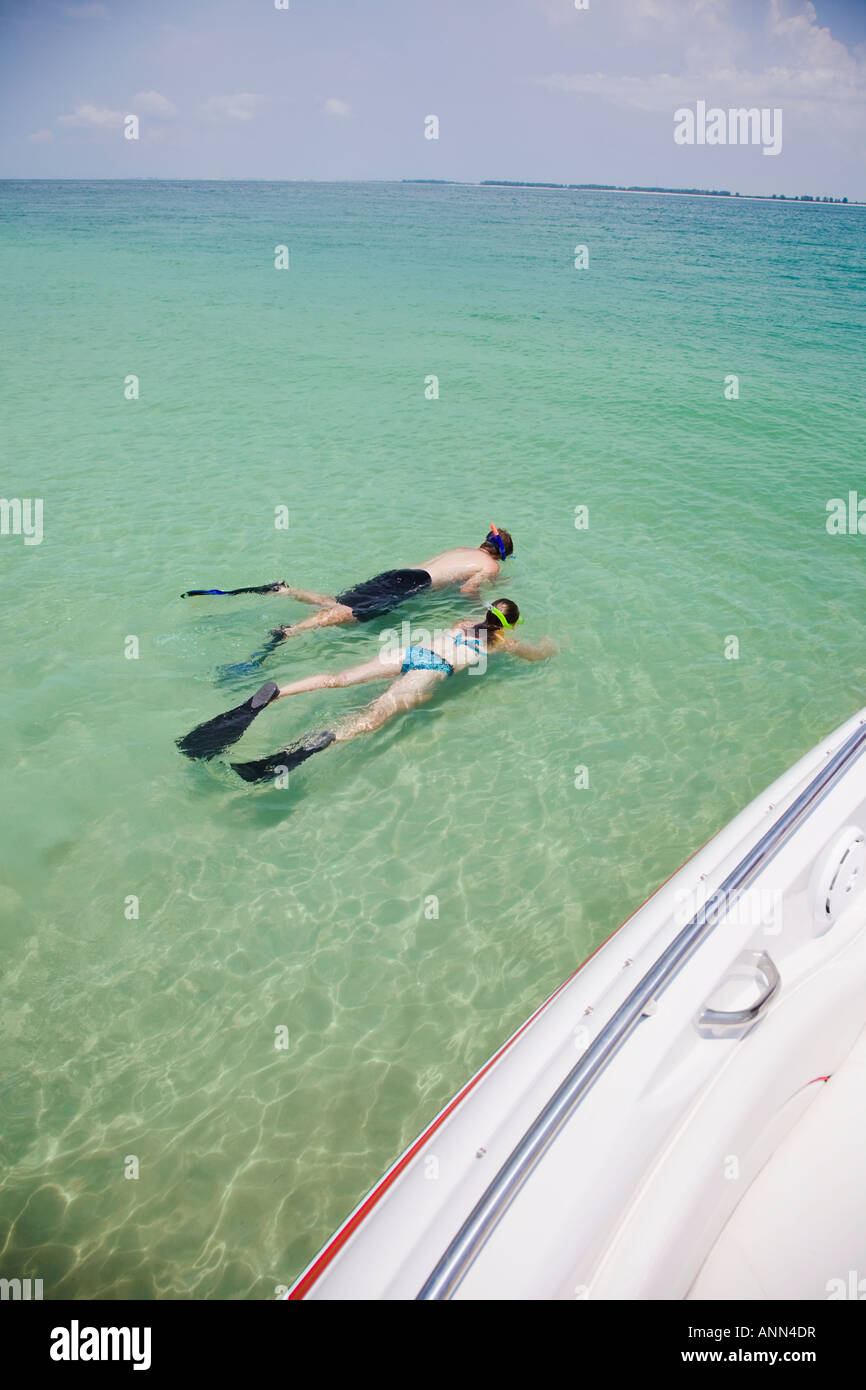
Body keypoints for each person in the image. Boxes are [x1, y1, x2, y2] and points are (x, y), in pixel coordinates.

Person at [224, 598, 556, 783]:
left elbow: (480, 622)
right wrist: (550, 645)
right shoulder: (501, 644)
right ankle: (325, 740)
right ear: (509, 625)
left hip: (413, 651)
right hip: (432, 669)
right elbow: (536, 655)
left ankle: (279, 692)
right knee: (374, 717)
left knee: (338, 678)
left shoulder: (462, 624)